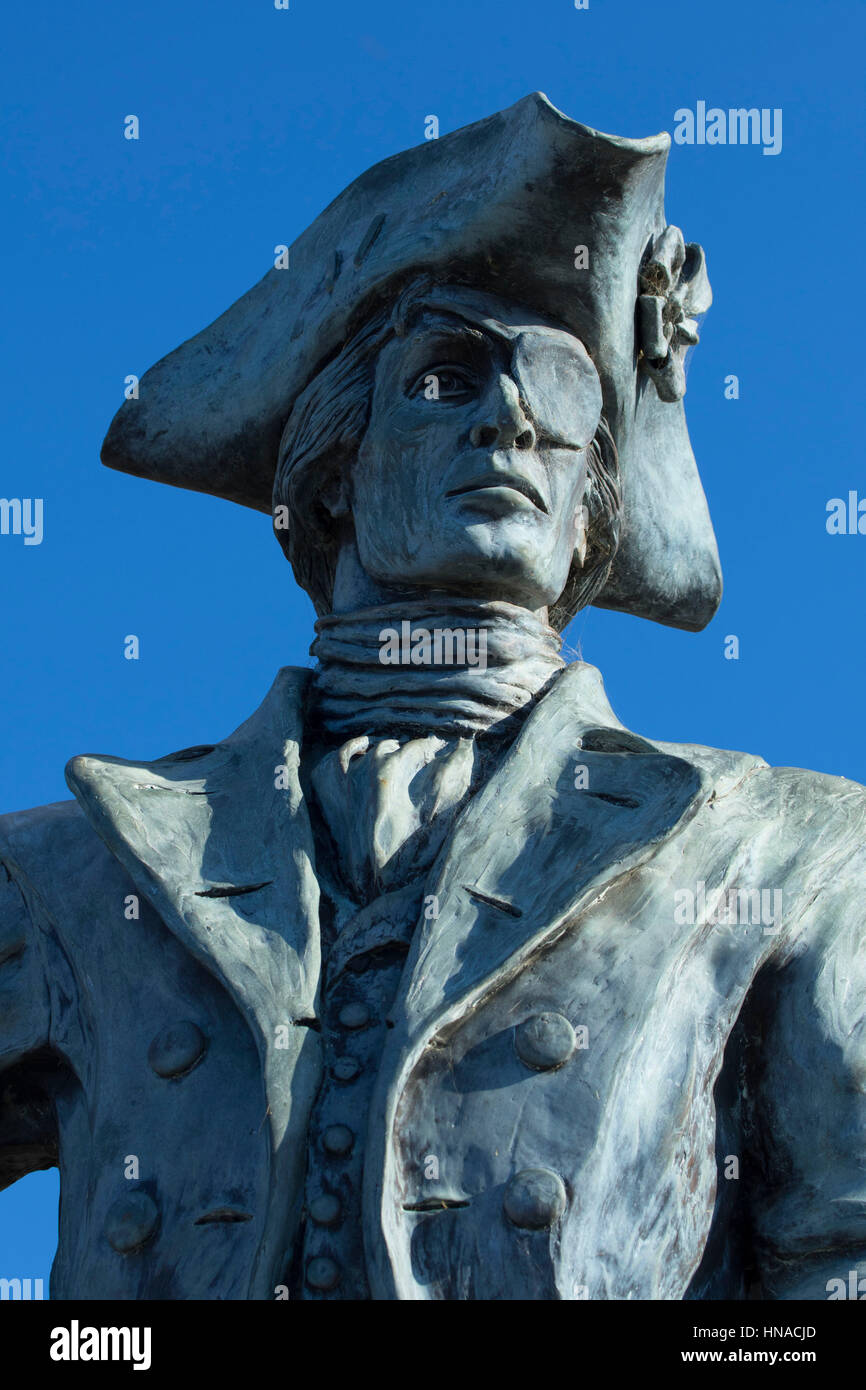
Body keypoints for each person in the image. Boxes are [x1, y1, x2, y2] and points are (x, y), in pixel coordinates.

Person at [2, 93, 864, 1301]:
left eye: (559, 393)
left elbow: (840, 1260)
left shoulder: (791, 852)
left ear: (590, 510)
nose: (510, 417)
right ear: (332, 467)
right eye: (446, 377)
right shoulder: (77, 872)